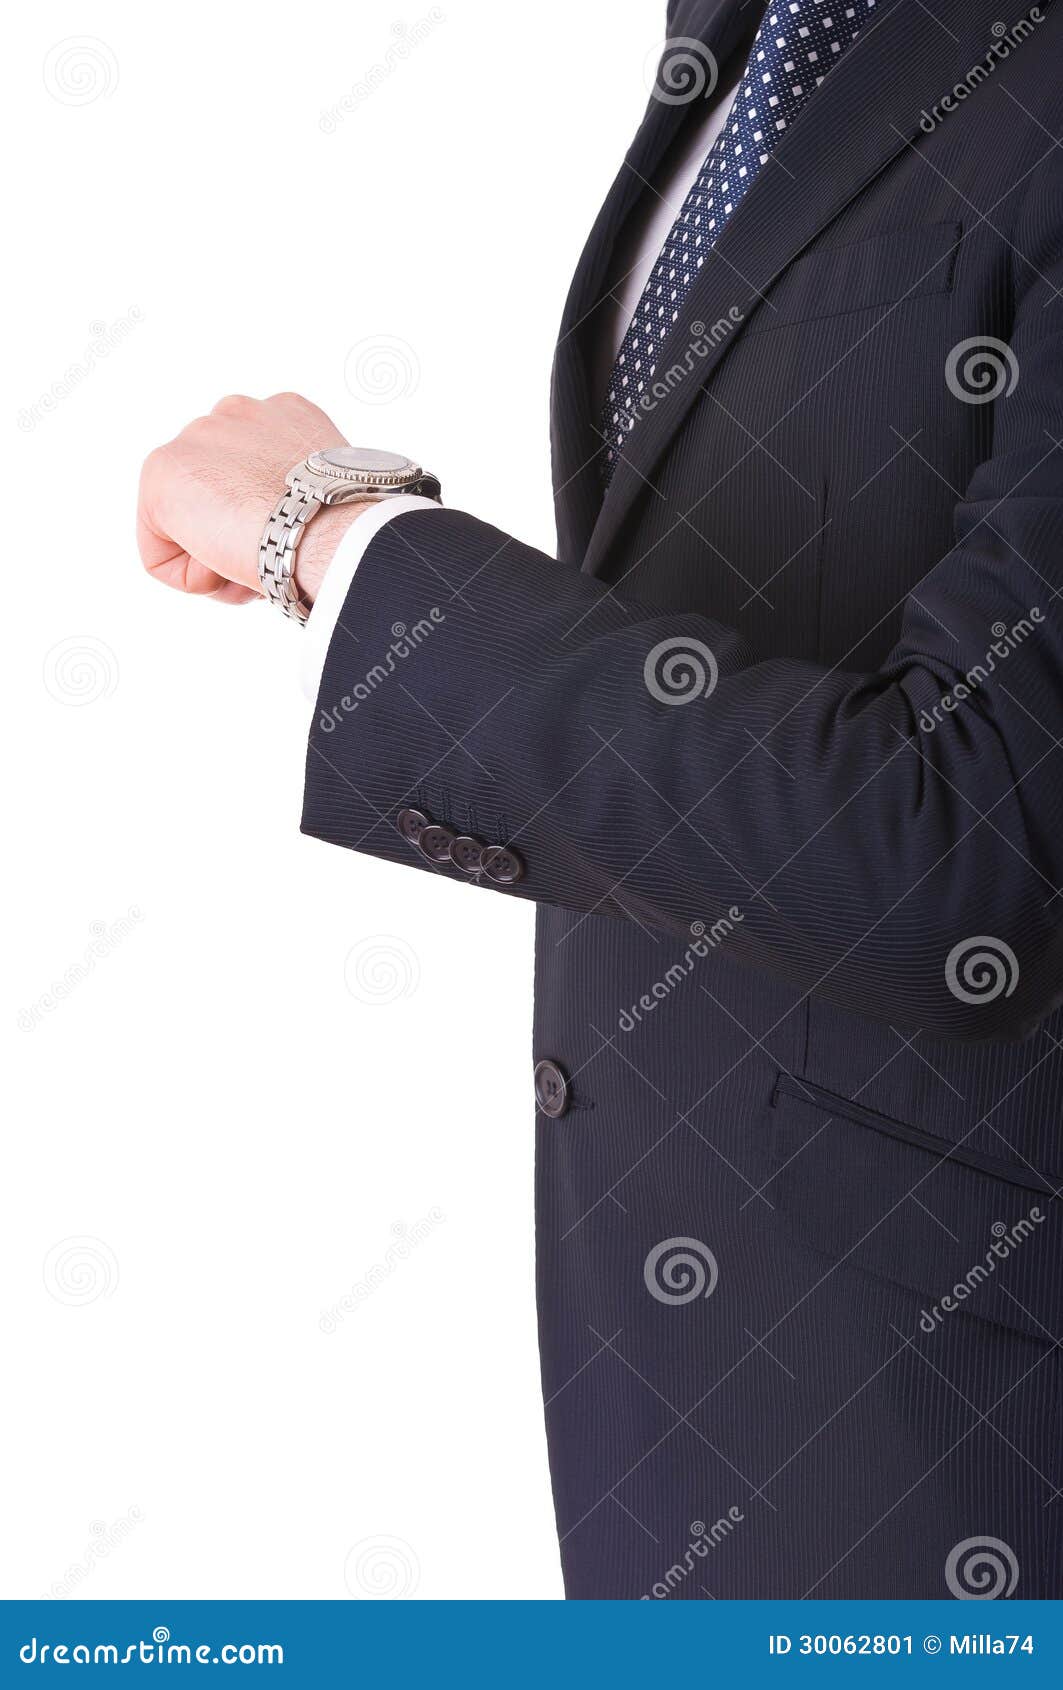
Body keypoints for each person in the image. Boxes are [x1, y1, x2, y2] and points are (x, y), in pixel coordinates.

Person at [137, 0, 1063, 1599]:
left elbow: (967, 841)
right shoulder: (750, 29)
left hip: (951, 1449)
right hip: (679, 1401)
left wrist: (349, 545)